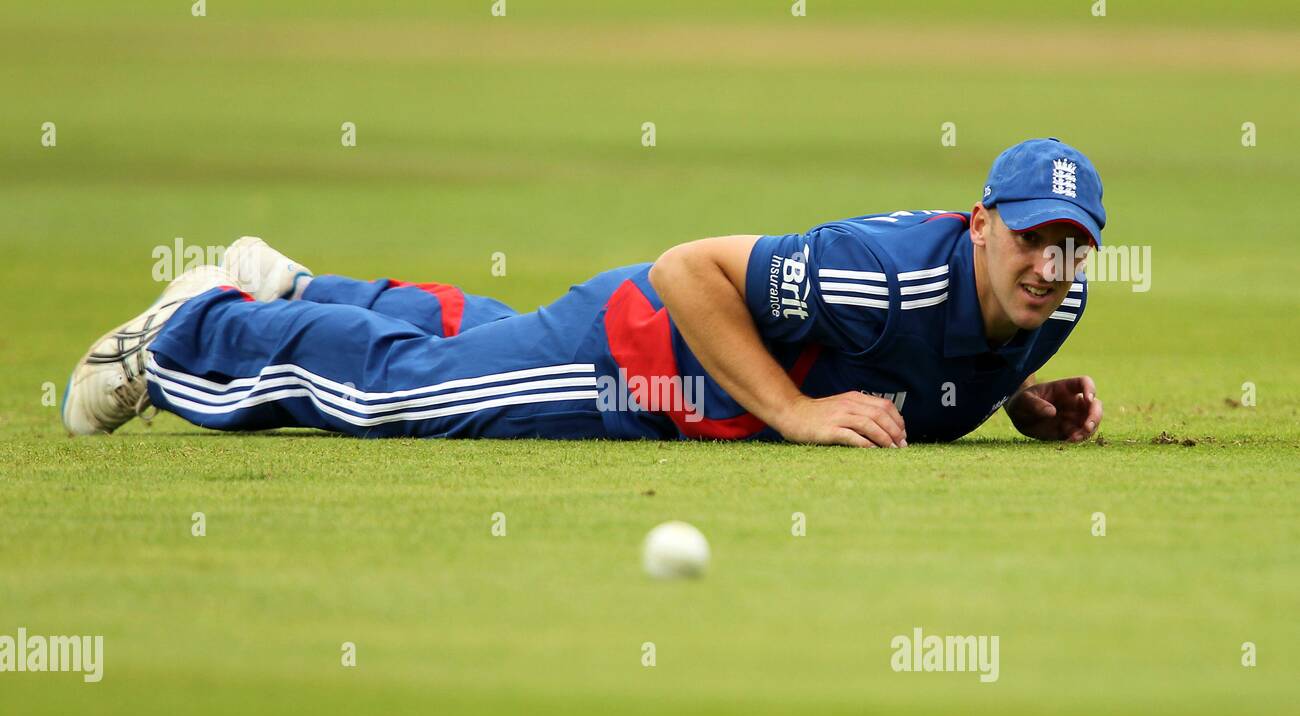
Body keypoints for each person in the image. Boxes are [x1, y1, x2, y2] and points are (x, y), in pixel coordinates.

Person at [62, 137, 1105, 447]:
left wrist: (1011, 396)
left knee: (487, 347)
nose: (1046, 267)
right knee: (412, 396)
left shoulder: (1051, 302)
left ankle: (285, 286)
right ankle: (187, 335)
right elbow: (685, 268)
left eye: (1071, 248)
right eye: (1028, 238)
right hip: (645, 357)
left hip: (674, 366)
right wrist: (790, 412)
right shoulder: (866, 271)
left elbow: (941, 340)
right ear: (979, 223)